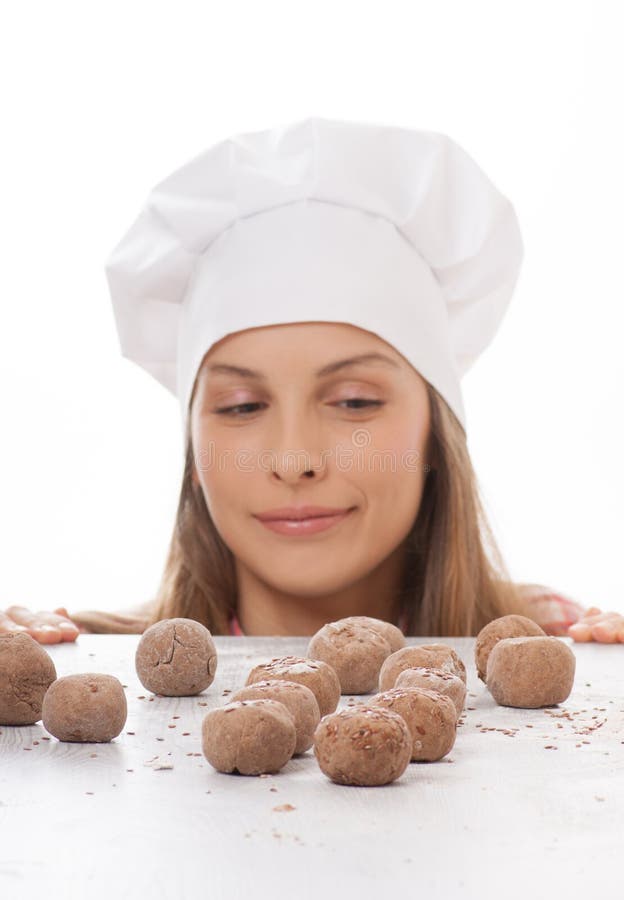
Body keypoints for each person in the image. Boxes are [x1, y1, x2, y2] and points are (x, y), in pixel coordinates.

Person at [2, 117, 621, 646]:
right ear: (195, 453)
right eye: (242, 407)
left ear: (435, 433)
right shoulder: (98, 667)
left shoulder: (558, 646)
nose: (295, 459)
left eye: (354, 401)